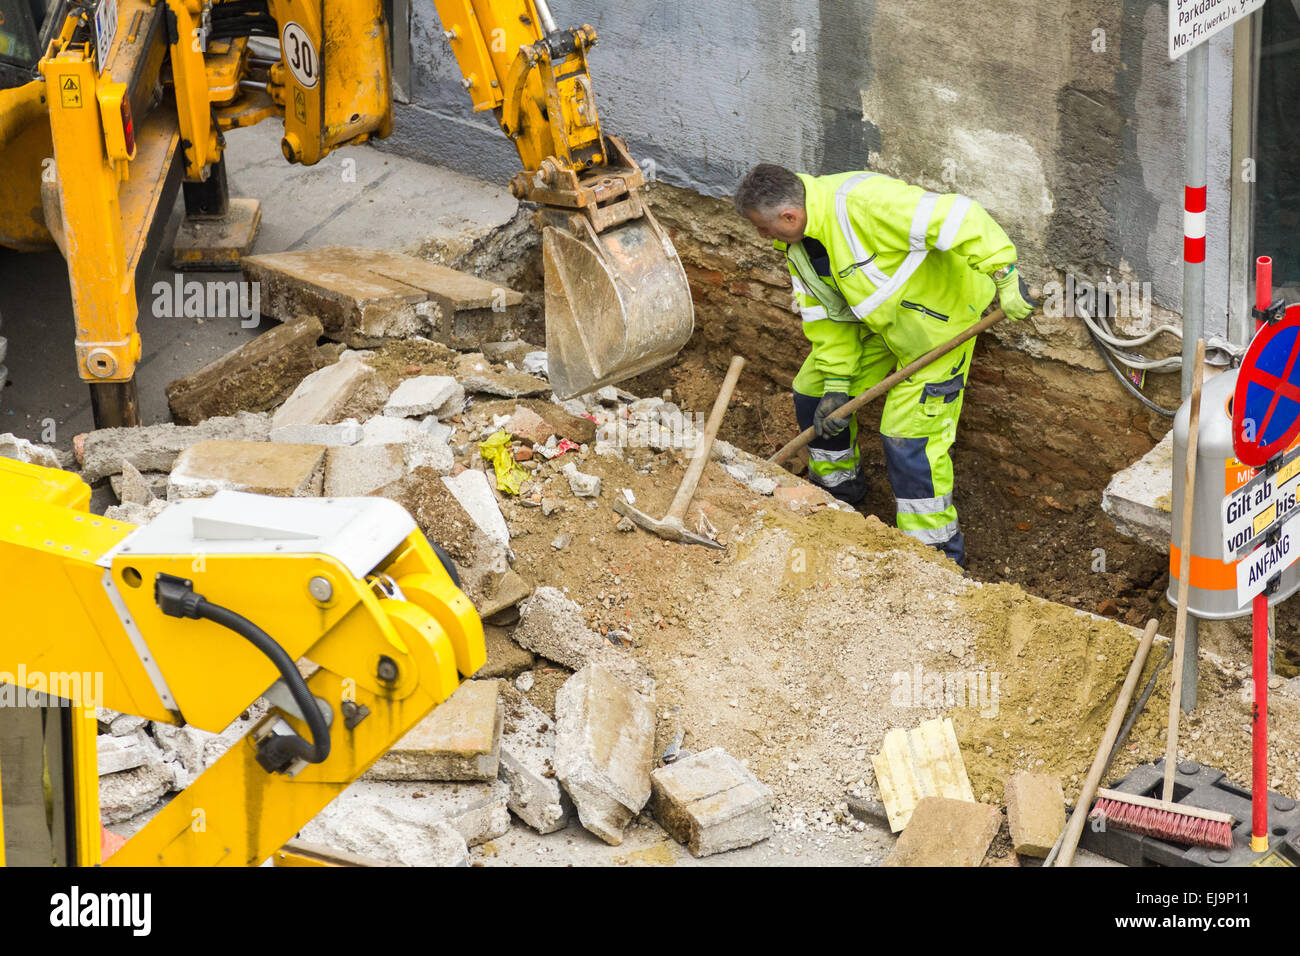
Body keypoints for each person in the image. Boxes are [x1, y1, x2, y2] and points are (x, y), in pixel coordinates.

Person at [734, 164, 1034, 568]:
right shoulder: (798, 246)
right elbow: (828, 318)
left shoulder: (864, 204)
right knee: (813, 389)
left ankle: (934, 555)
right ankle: (837, 496)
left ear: (789, 216)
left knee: (907, 436)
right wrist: (839, 383)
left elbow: (961, 216)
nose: (763, 237)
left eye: (764, 228)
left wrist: (1005, 273)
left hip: (941, 325)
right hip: (883, 324)